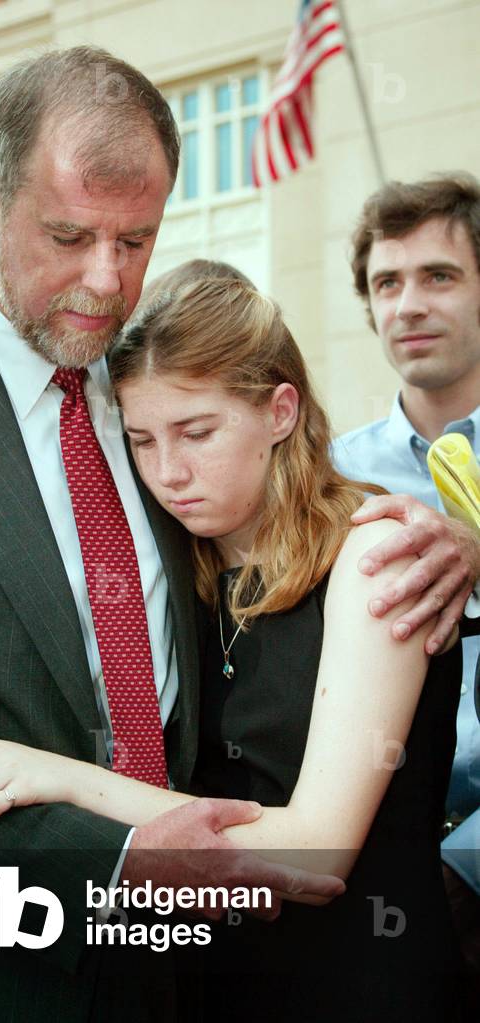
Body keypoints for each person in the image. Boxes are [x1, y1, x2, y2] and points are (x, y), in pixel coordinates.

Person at [0, 47, 476, 1021]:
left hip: (199, 976)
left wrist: (462, 539)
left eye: (136, 239)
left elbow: (300, 541)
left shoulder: (147, 387)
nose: (103, 280)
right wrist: (124, 869)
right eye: (69, 234)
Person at [0, 276, 464, 1021]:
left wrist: (60, 779)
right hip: (205, 983)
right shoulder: (179, 569)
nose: (168, 472)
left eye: (197, 432)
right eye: (141, 439)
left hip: (362, 980)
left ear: (279, 410)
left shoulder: (381, 548)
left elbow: (317, 848)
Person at [332, 174, 480, 1000]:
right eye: (387, 283)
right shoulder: (332, 476)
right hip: (382, 870)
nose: (409, 304)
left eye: (439, 276)